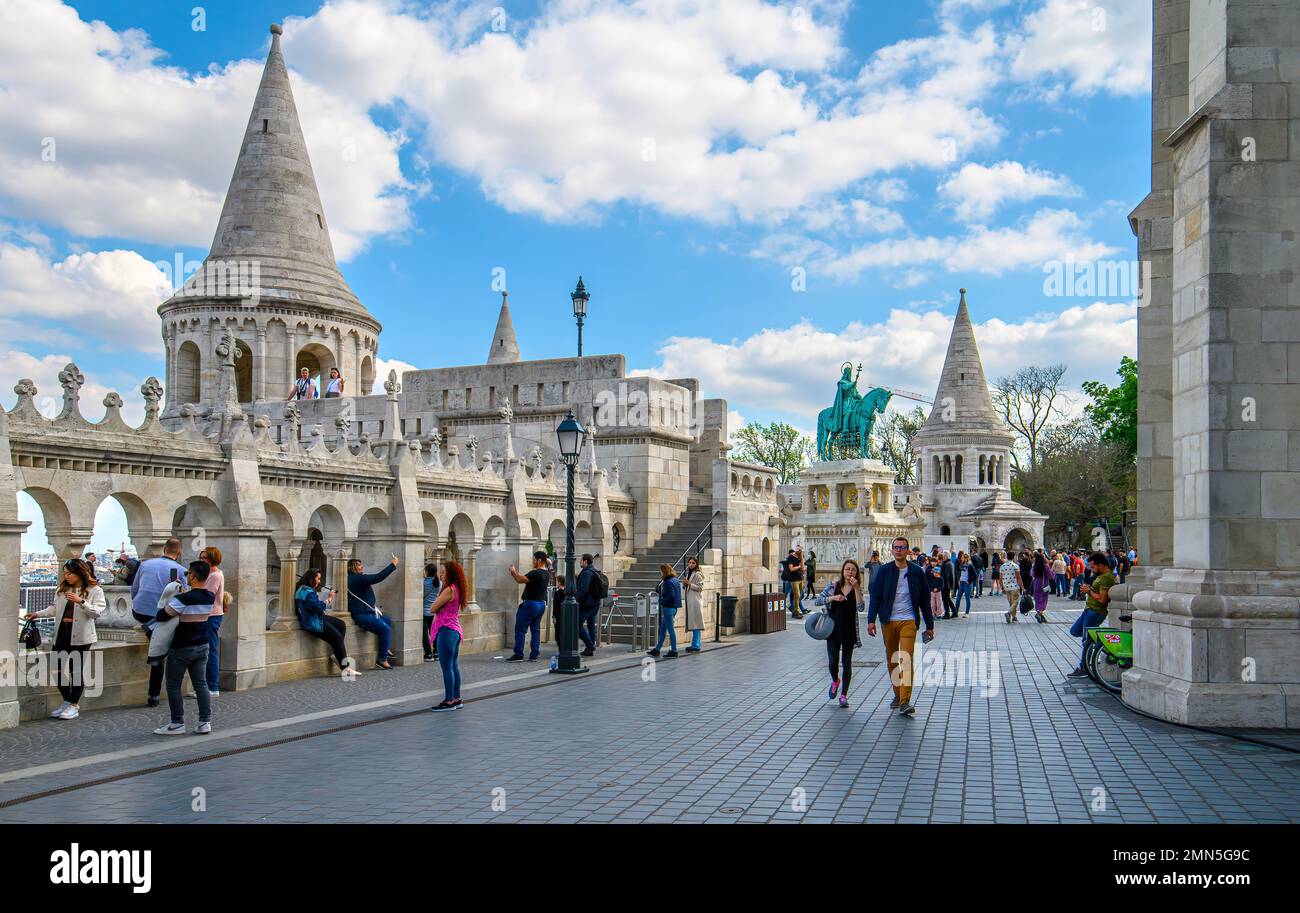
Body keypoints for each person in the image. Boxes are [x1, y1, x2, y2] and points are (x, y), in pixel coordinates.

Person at [26, 558, 105, 721]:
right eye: (65, 573)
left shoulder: (95, 590)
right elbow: (54, 608)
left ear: (80, 573)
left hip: (81, 637)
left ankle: (74, 705)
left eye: (70, 573)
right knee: (56, 669)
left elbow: (97, 612)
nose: (67, 576)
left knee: (75, 671)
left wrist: (81, 601)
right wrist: (37, 614)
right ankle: (68, 701)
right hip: (62, 633)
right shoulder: (62, 589)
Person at [867, 537, 934, 716]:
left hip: (909, 620)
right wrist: (871, 620)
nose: (899, 550)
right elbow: (875, 596)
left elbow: (925, 600)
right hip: (888, 620)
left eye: (902, 547)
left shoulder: (916, 572)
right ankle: (898, 694)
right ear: (892, 550)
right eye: (896, 547)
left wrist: (930, 625)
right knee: (892, 660)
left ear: (907, 551)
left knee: (906, 659)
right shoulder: (884, 570)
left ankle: (905, 701)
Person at [151, 560, 217, 735]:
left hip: (182, 647)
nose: (187, 576)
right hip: (202, 645)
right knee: (201, 684)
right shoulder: (210, 596)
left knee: (173, 685)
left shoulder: (183, 598)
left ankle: (177, 723)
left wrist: (172, 595)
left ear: (193, 576)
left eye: (189, 574)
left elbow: (162, 615)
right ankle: (205, 722)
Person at [130, 538, 188, 707]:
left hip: (140, 611)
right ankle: (154, 694)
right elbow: (184, 598)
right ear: (179, 552)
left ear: (164, 549)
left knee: (157, 638)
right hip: (161, 615)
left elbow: (134, 589)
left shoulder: (145, 564)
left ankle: (153, 633)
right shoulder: (181, 570)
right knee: (160, 651)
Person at [815, 559, 864, 709]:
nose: (850, 572)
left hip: (849, 631)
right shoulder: (834, 586)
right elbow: (818, 601)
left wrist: (856, 588)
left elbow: (861, 608)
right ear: (843, 571)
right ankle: (835, 681)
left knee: (847, 663)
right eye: (848, 569)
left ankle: (843, 696)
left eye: (853, 570)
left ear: (857, 573)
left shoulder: (858, 589)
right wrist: (833, 598)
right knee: (832, 662)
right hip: (833, 630)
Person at [294, 569, 357, 675]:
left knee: (341, 625)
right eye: (318, 579)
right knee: (337, 638)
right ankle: (345, 668)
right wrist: (329, 598)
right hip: (312, 622)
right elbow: (318, 607)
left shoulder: (304, 589)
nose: (319, 581)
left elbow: (313, 605)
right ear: (311, 579)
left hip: (315, 617)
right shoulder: (308, 592)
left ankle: (337, 654)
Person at [1069, 552, 1116, 677]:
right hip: (1089, 611)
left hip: (1095, 612)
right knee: (1075, 631)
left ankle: (1084, 668)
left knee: (1086, 639)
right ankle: (1097, 643)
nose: (1092, 569)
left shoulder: (1106, 577)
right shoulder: (1102, 576)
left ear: (1100, 565)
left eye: (1093, 567)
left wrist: (1088, 591)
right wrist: (1090, 588)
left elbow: (1102, 599)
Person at [346, 556, 398, 669]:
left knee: (386, 620)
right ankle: (382, 659)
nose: (362, 566)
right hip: (361, 614)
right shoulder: (357, 579)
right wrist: (392, 565)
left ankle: (385, 647)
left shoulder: (355, 578)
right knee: (385, 629)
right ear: (353, 568)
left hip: (367, 612)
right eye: (359, 565)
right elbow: (378, 577)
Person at [429, 561, 467, 712]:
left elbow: (432, 608)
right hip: (455, 629)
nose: (441, 575)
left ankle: (449, 700)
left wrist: (440, 605)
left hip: (446, 630)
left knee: (447, 668)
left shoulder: (449, 590)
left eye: (444, 572)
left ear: (450, 574)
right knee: (454, 666)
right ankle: (456, 698)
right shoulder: (457, 589)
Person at [506, 551, 550, 662]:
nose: (533, 561)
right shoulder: (546, 573)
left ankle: (518, 654)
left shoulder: (536, 573)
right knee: (535, 630)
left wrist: (513, 572)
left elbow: (519, 579)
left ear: (539, 560)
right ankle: (534, 654)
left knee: (520, 629)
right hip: (541, 604)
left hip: (531, 604)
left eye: (534, 559)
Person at [198, 546, 226, 696]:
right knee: (207, 650)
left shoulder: (214, 575)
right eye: (201, 557)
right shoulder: (210, 573)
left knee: (210, 650)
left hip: (211, 615)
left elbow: (207, 595)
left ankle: (212, 687)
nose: (202, 560)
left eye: (205, 558)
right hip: (209, 614)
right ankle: (208, 686)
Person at [647, 564, 682, 658]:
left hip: (668, 608)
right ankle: (657, 649)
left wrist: (661, 601)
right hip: (674, 608)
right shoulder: (675, 580)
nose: (660, 573)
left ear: (664, 571)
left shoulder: (668, 582)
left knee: (671, 630)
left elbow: (671, 596)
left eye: (661, 571)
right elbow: (674, 594)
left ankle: (674, 651)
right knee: (662, 630)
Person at [574, 554, 602, 657]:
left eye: (581, 561)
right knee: (590, 624)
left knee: (577, 624)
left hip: (588, 603)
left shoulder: (586, 573)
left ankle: (590, 645)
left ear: (585, 561)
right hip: (595, 602)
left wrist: (575, 599)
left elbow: (584, 589)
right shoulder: (593, 570)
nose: (580, 562)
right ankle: (590, 648)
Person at [683, 556, 706, 652]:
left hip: (695, 602)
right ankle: (695, 644)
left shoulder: (698, 574)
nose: (691, 564)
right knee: (694, 623)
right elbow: (689, 587)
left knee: (696, 623)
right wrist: (685, 585)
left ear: (696, 564)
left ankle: (696, 645)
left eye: (693, 563)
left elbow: (700, 587)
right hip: (691, 601)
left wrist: (689, 584)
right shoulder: (690, 573)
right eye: (689, 562)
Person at [1000, 550, 1025, 623]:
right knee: (1015, 602)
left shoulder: (1002, 566)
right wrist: (1022, 587)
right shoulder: (1015, 566)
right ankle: (1008, 613)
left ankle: (1014, 617)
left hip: (1006, 587)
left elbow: (1000, 578)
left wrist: (1002, 587)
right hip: (1014, 586)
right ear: (1013, 557)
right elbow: (1018, 577)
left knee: (1011, 603)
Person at [422, 562, 440, 662]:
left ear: (427, 572)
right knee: (434, 633)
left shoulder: (424, 583)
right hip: (434, 612)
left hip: (424, 612)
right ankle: (436, 652)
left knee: (425, 634)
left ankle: (428, 654)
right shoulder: (439, 583)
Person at [1031, 550, 1050, 622]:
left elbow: (1032, 574)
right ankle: (1040, 613)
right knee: (1043, 599)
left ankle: (1040, 614)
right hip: (1044, 583)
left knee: (1037, 598)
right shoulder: (1045, 566)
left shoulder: (1034, 566)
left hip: (1036, 583)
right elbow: (1050, 575)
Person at [926, 557, 945, 621]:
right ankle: (932, 614)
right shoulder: (928, 569)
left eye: (935, 562)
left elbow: (941, 582)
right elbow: (926, 579)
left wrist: (938, 588)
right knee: (932, 603)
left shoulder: (939, 569)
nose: (933, 563)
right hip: (931, 589)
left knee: (939, 602)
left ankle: (939, 614)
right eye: (932, 562)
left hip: (938, 590)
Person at [956, 553, 974, 617]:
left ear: (966, 559)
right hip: (961, 582)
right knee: (958, 598)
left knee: (967, 598)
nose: (961, 558)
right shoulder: (962, 564)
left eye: (963, 558)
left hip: (967, 584)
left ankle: (967, 613)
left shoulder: (970, 565)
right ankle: (956, 612)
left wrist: (969, 581)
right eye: (961, 557)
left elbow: (974, 575)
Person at [940, 550, 956, 619]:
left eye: (943, 555)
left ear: (946, 556)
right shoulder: (949, 563)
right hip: (948, 584)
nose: (942, 557)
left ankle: (947, 613)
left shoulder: (947, 564)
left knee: (945, 599)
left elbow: (946, 575)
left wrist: (939, 576)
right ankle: (954, 612)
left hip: (946, 585)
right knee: (947, 599)